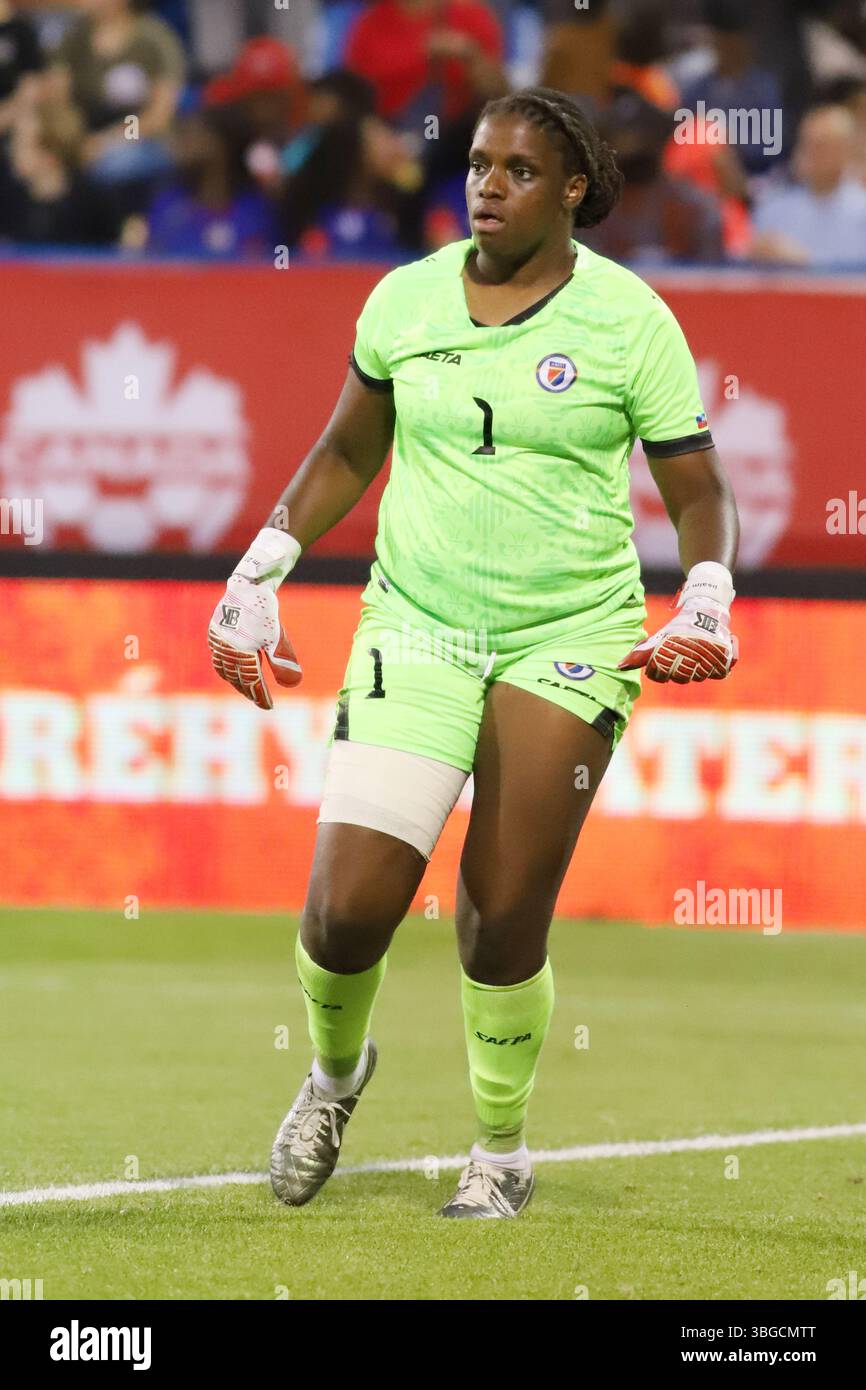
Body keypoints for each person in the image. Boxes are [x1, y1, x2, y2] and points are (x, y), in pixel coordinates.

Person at [208, 86, 740, 1219]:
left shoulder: (628, 319)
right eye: (477, 164)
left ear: (573, 190)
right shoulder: (404, 299)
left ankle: (498, 1148)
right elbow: (349, 448)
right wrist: (260, 567)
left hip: (569, 634)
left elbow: (695, 487)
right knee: (345, 913)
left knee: (497, 916)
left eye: (518, 171)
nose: (486, 186)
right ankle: (334, 1080)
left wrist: (703, 591)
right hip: (417, 621)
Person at [46, 0, 185, 211]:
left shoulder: (154, 37)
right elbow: (58, 97)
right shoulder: (75, 36)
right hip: (86, 132)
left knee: (113, 164)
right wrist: (73, 140)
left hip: (138, 134)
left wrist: (108, 141)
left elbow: (160, 115)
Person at [751, 102, 866, 266]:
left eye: (821, 146)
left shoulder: (861, 212)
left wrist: (805, 261)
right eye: (806, 143)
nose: (810, 153)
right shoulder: (772, 208)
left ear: (846, 151)